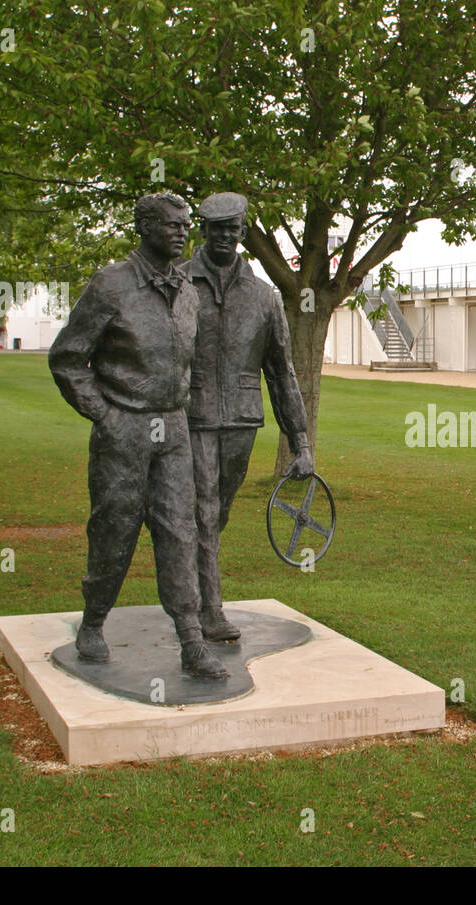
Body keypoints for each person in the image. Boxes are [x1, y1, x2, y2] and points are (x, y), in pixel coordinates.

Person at [47, 192, 228, 680]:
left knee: (179, 530)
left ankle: (191, 639)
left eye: (186, 224)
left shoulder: (187, 290)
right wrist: (103, 415)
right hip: (124, 427)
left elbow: (189, 365)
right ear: (145, 227)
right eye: (172, 225)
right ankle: (93, 622)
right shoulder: (111, 285)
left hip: (172, 429)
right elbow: (67, 358)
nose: (182, 232)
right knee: (114, 528)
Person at [186, 191, 314, 642]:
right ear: (203, 230)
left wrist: (300, 443)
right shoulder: (177, 283)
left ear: (242, 233)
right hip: (191, 418)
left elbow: (282, 373)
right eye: (216, 228)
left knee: (216, 514)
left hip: (241, 420)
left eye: (233, 229)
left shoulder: (264, 297)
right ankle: (208, 610)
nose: (225, 236)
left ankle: (189, 592)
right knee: (201, 511)